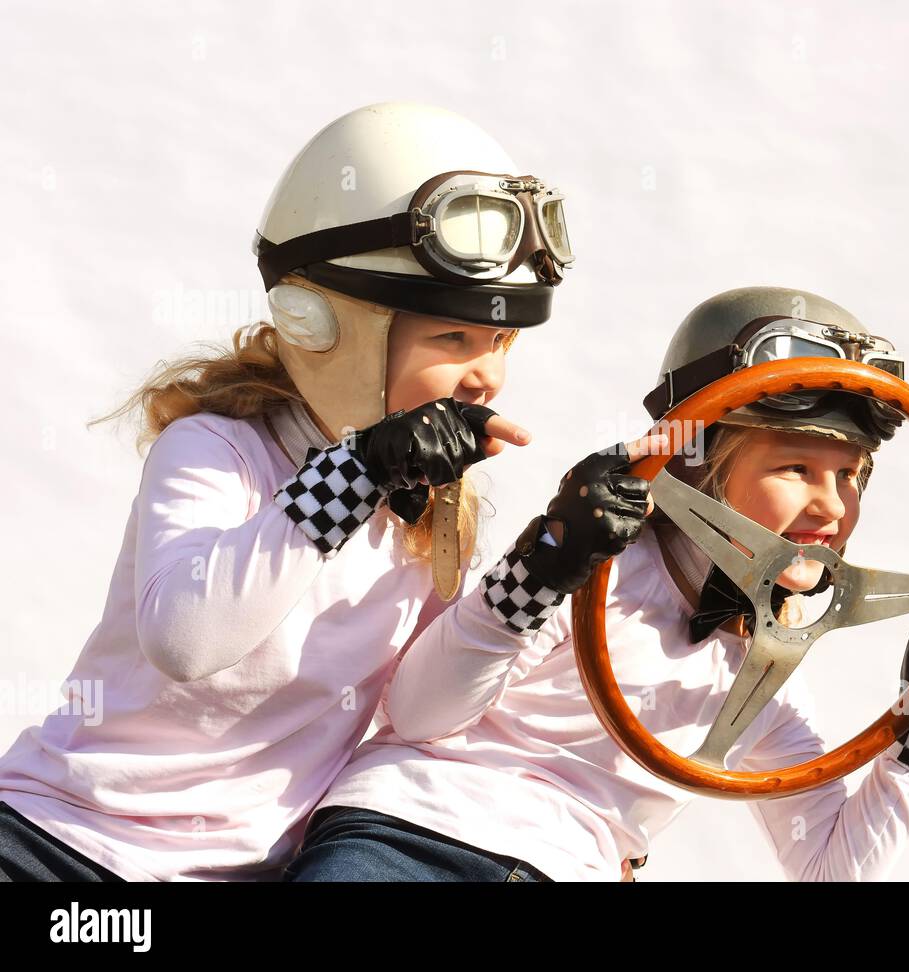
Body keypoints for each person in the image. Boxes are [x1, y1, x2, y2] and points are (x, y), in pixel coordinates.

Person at [0, 101, 574, 881]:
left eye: (501, 341)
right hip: (61, 845)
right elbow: (186, 639)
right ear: (322, 323)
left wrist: (535, 575)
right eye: (454, 338)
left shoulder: (434, 508)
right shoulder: (214, 449)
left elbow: (421, 713)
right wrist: (358, 472)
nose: (488, 374)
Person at [284, 286, 909, 882]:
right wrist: (541, 568)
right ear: (691, 466)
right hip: (408, 839)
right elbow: (418, 715)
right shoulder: (594, 576)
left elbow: (831, 867)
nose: (834, 507)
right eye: (795, 470)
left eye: (851, 475)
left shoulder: (762, 671)